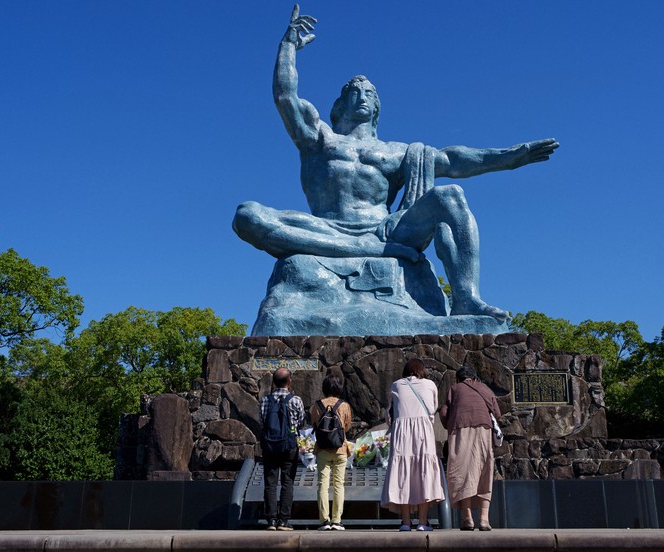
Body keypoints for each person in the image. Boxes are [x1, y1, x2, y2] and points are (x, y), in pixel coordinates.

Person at [233, 5, 559, 322]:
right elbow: (285, 98)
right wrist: (287, 46)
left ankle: (466, 297)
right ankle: (361, 249)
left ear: (377, 107)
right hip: (328, 226)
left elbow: (453, 159)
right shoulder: (319, 138)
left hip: (384, 230)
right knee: (246, 215)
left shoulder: (398, 152)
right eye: (353, 92)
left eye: (369, 93)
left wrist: (511, 157)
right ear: (339, 103)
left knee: (451, 196)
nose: (362, 96)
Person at [381, 358, 445, 531]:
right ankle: (423, 522)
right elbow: (432, 409)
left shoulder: (396, 385)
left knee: (403, 473)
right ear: (421, 370)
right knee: (423, 473)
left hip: (402, 433)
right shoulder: (430, 384)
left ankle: (406, 522)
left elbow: (389, 414)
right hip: (423, 431)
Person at [439, 366, 501, 531]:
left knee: (461, 471)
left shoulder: (455, 389)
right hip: (484, 430)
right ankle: (484, 520)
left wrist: (449, 425)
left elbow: (444, 413)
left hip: (460, 429)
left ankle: (467, 518)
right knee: (484, 471)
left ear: (459, 379)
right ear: (475, 378)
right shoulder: (485, 388)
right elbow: (497, 413)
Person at [258, 367, 306, 531]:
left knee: (270, 483)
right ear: (289, 381)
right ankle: (284, 521)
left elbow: (262, 421)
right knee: (287, 482)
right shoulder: (296, 400)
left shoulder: (265, 400)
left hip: (270, 446)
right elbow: (300, 422)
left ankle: (271, 520)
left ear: (273, 382)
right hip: (289, 445)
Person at [309, 372, 353, 531]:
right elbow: (346, 426)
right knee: (339, 485)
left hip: (322, 449)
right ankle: (336, 521)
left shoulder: (316, 405)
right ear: (339, 388)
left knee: (322, 485)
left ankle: (324, 521)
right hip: (340, 448)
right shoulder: (344, 405)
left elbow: (314, 424)